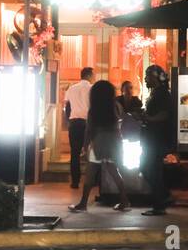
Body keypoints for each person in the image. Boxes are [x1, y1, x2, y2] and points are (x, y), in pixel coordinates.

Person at [69, 81, 130, 213]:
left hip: (99, 142)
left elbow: (89, 130)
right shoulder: (116, 107)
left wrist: (85, 146)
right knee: (115, 172)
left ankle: (83, 203)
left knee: (90, 174)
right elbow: (121, 123)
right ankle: (124, 201)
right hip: (114, 143)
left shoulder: (94, 110)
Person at [139, 65, 174, 216]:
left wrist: (148, 118)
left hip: (157, 139)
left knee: (148, 168)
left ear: (156, 77)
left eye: (148, 76)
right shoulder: (155, 93)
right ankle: (163, 198)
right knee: (150, 169)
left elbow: (164, 115)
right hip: (152, 138)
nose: (146, 79)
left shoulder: (162, 94)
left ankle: (160, 202)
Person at [64, 67, 95, 190]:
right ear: (88, 76)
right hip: (88, 123)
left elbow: (67, 107)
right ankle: (91, 181)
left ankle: (75, 182)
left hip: (74, 123)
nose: (94, 77)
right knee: (91, 153)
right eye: (93, 75)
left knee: (75, 153)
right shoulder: (92, 88)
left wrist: (69, 121)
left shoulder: (71, 88)